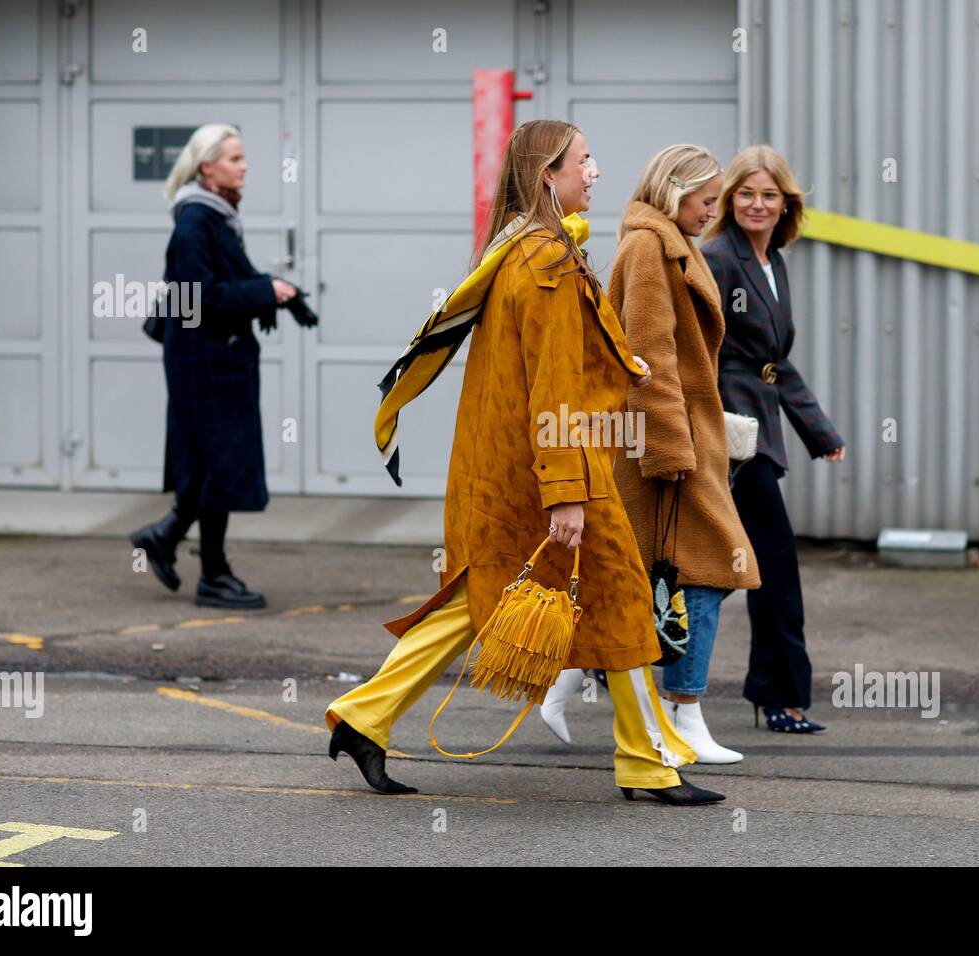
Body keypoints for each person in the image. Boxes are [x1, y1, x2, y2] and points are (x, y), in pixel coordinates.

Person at [324, 120, 722, 805]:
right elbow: (556, 384)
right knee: (620, 599)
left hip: (515, 469)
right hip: (553, 473)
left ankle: (364, 717)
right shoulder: (545, 262)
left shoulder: (529, 250)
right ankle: (645, 765)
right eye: (585, 161)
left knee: (493, 600)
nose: (595, 173)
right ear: (549, 174)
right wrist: (567, 492)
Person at [540, 145, 761, 764]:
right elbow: (648, 356)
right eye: (706, 199)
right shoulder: (649, 246)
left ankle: (573, 676)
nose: (714, 211)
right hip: (666, 448)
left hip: (685, 441)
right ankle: (683, 712)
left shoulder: (670, 243)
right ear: (673, 191)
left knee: (644, 577)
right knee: (710, 573)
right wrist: (667, 449)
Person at [130, 124, 308, 610]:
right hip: (202, 363)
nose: (244, 165)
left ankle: (167, 539)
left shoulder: (218, 217)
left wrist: (279, 292)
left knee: (216, 462)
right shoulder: (194, 223)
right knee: (216, 462)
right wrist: (262, 292)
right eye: (233, 158)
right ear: (206, 167)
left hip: (218, 359)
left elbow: (230, 280)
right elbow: (197, 299)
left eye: (242, 157)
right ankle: (210, 573)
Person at [700, 145, 846, 733]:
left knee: (721, 562)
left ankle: (617, 652)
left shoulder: (772, 260)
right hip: (729, 432)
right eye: (746, 193)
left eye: (769, 194)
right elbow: (694, 347)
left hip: (758, 427)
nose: (758, 204)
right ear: (730, 199)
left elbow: (774, 362)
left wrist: (818, 430)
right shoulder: (716, 258)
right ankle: (780, 696)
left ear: (786, 203)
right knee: (771, 561)